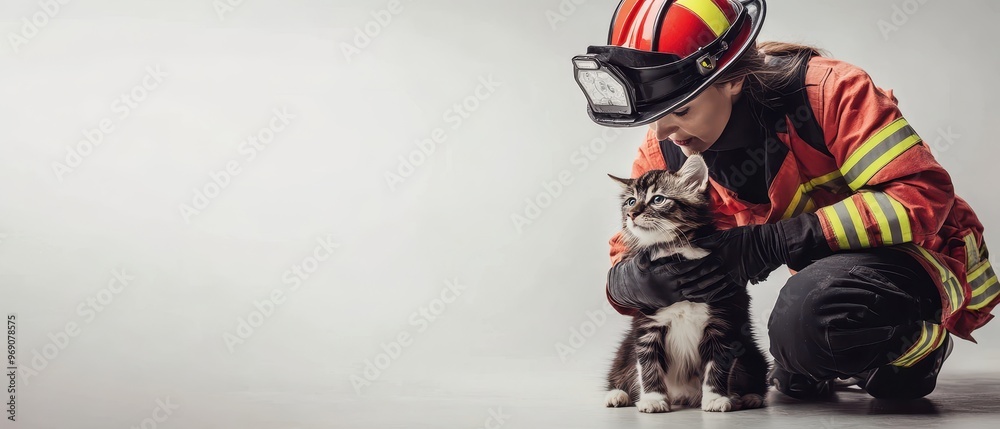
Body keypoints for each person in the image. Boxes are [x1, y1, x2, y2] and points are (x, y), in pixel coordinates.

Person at [572, 0, 999, 401]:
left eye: (680, 109)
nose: (662, 131)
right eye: (652, 114)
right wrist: (634, 280)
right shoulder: (666, 147)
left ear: (733, 77)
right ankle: (816, 355)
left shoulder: (830, 92)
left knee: (818, 324)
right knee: (799, 352)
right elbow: (624, 253)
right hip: (832, 272)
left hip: (919, 255)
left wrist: (771, 242)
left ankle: (920, 344)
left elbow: (920, 197)